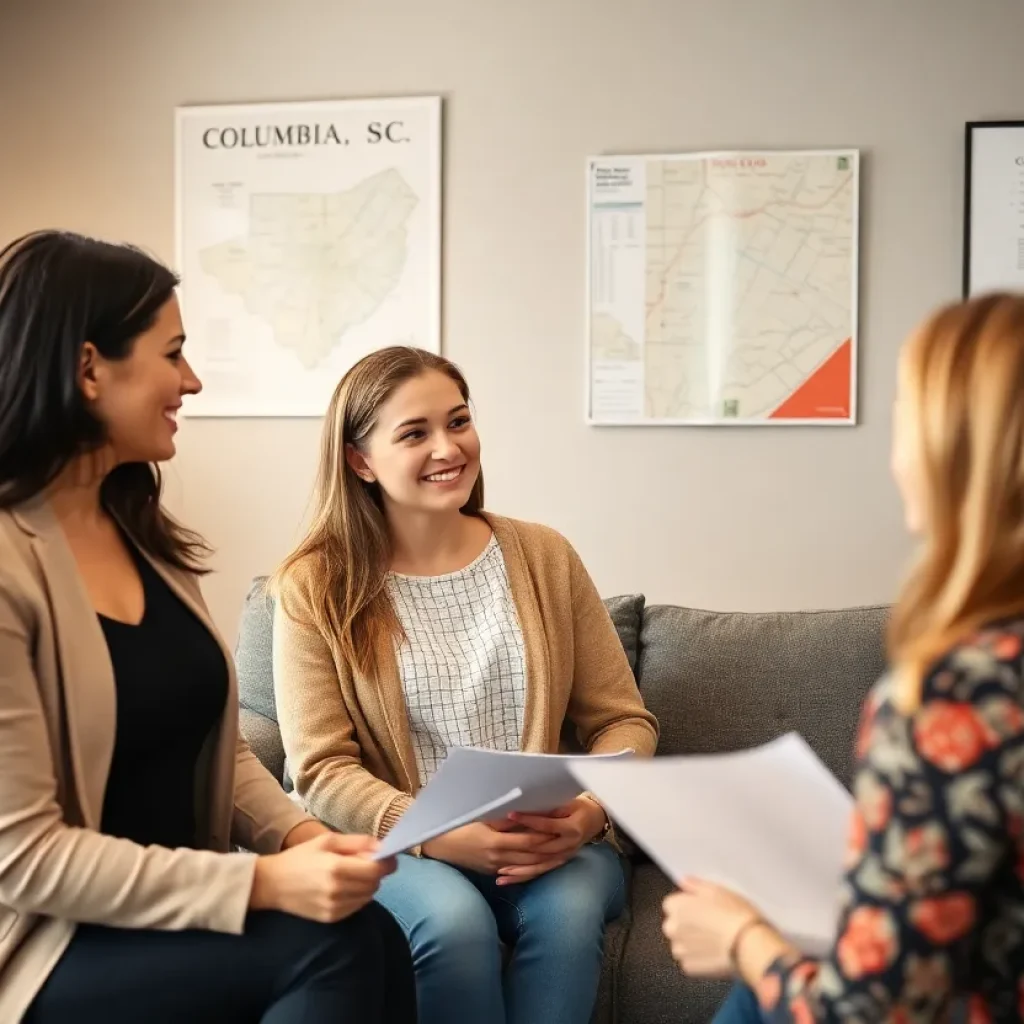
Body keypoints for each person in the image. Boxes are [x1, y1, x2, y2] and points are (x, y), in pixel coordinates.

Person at [0, 230, 417, 1024]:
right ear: (90, 367)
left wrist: (297, 839)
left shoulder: (142, 536)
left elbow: (214, 746)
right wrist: (261, 882)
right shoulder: (8, 565)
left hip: (170, 914)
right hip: (50, 943)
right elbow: (23, 860)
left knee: (374, 933)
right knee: (334, 948)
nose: (190, 381)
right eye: (173, 353)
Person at [661, 292, 1024, 1022]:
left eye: (902, 422)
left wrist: (740, 936)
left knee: (751, 995)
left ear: (954, 451)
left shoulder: (959, 693)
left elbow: (862, 1014)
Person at [271, 345, 659, 1024]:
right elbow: (320, 770)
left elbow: (624, 721)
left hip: (551, 845)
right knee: (453, 925)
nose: (448, 447)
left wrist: (591, 811)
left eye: (459, 421)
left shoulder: (544, 555)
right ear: (360, 460)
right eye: (414, 433)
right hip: (406, 844)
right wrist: (437, 835)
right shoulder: (314, 586)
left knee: (569, 914)